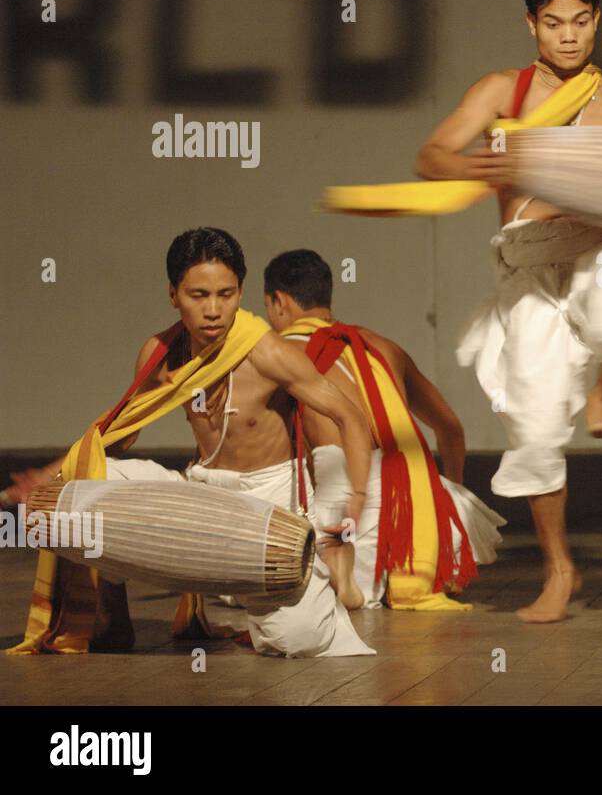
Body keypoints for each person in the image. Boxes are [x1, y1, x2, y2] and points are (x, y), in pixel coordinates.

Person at [414, 0, 602, 622]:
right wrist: (495, 164)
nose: (569, 36)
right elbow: (433, 155)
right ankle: (560, 569)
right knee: (532, 422)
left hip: (592, 247)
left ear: (597, 21)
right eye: (554, 23)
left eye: (581, 21)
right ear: (532, 24)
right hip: (525, 261)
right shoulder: (503, 90)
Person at [7, 228, 376, 658]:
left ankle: (297, 600)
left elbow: (350, 415)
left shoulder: (265, 352)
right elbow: (117, 435)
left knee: (301, 641)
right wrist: (47, 475)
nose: (214, 310)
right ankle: (111, 616)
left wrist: (357, 497)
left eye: (227, 293)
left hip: (270, 502)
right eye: (199, 295)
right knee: (87, 479)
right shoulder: (161, 353)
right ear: (173, 294)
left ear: (241, 291)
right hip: (201, 496)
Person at [262, 248, 505, 611]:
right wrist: (447, 497)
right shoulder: (383, 348)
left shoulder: (277, 354)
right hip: (418, 515)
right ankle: (420, 563)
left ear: (278, 302)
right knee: (444, 494)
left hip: (343, 508)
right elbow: (450, 428)